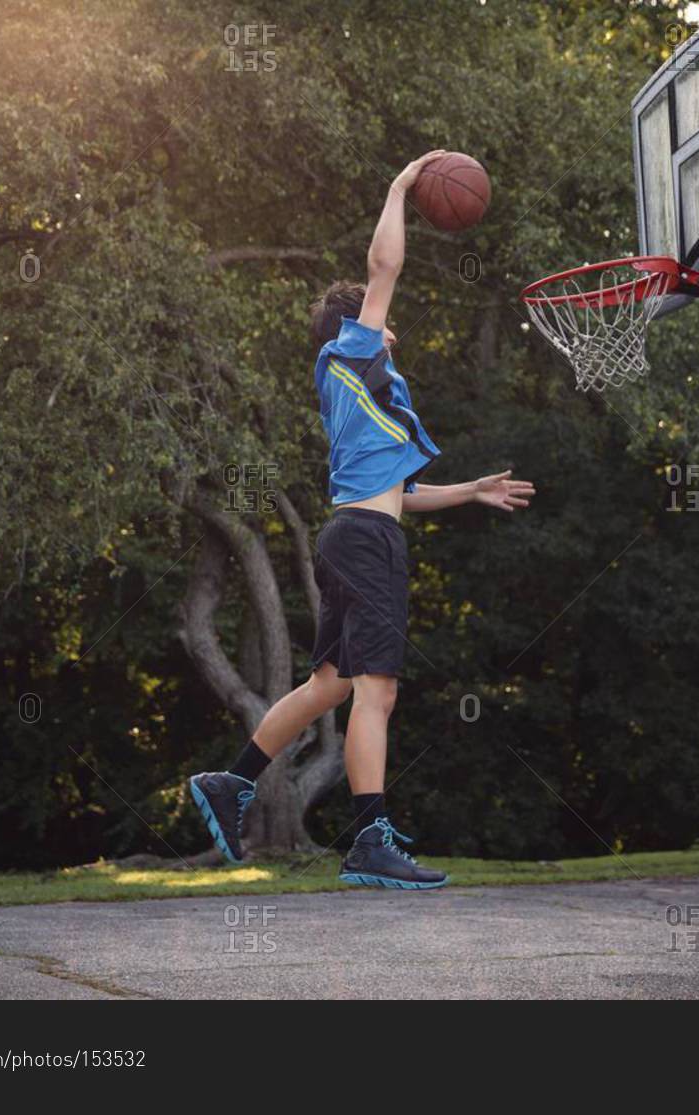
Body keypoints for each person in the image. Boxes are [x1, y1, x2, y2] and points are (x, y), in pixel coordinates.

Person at [189, 150, 535, 887]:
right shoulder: (353, 350)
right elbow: (384, 266)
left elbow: (398, 493)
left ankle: (231, 781)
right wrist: (401, 187)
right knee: (377, 691)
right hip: (366, 543)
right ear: (356, 324)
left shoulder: (363, 385)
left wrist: (469, 491)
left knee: (331, 687)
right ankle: (370, 840)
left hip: (354, 533)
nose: (391, 321)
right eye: (381, 314)